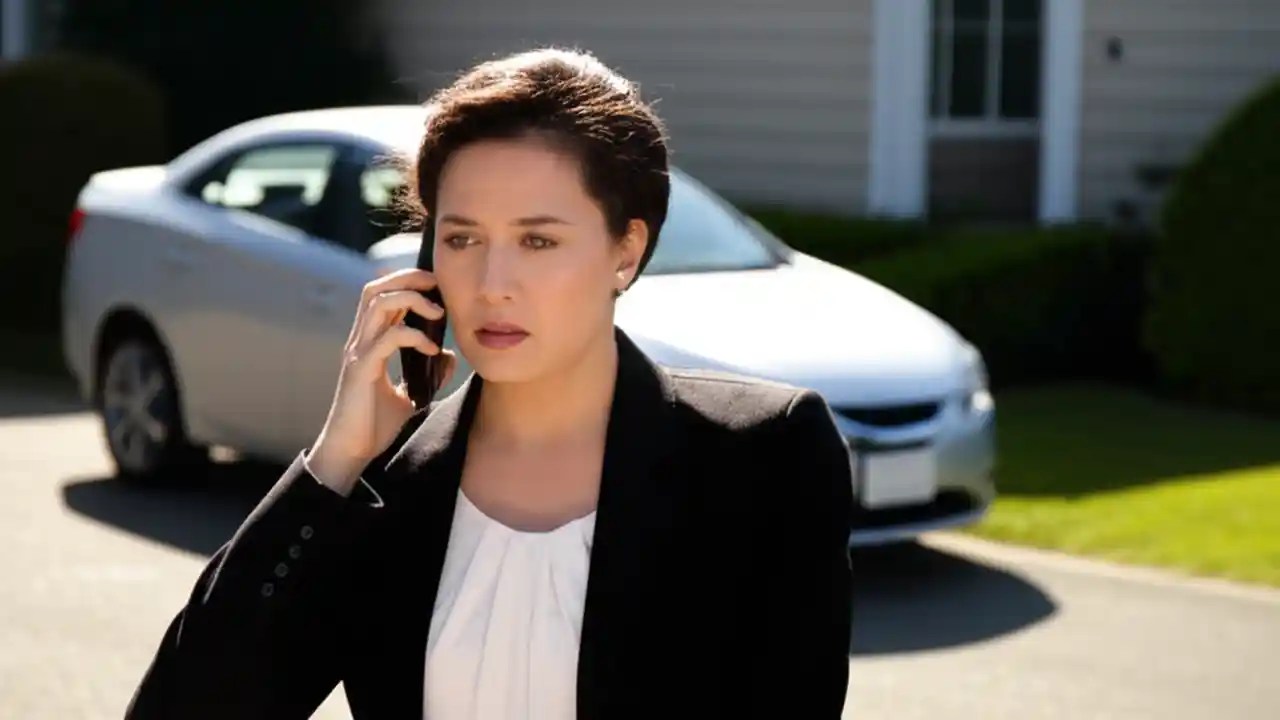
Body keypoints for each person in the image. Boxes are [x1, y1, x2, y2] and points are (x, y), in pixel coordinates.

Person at [124, 47, 853, 720]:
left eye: (538, 241)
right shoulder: (385, 485)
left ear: (626, 250)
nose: (491, 284)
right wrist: (335, 460)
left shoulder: (762, 454)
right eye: (462, 238)